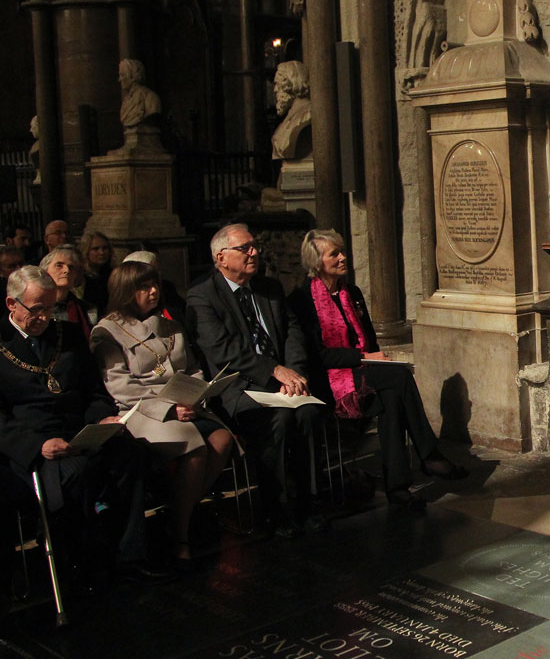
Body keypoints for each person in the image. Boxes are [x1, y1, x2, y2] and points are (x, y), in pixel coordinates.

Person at [0, 266, 164, 583]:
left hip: (81, 430)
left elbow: (93, 391)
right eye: (37, 309)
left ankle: (130, 556)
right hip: (34, 442)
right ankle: (81, 565)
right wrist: (37, 446)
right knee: (77, 473)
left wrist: (104, 417)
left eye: (51, 308)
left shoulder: (69, 335)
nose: (46, 317)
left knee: (130, 455)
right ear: (12, 304)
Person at [288, 230, 466, 511]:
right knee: (400, 376)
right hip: (329, 378)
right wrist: (362, 356)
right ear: (316, 261)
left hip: (364, 371)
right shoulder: (302, 300)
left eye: (342, 251)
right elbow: (315, 355)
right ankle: (429, 456)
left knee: (391, 400)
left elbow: (369, 337)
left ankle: (398, 488)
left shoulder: (352, 292)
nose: (343, 257)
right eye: (334, 253)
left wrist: (372, 356)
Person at [186, 223, 328, 538]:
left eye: (254, 246)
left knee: (306, 413)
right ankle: (275, 512)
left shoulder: (269, 288)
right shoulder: (202, 296)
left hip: (283, 382)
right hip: (240, 388)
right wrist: (274, 371)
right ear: (221, 257)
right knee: (276, 420)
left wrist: (294, 372)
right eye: (245, 248)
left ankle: (309, 504)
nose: (254, 252)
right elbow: (224, 351)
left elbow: (293, 333)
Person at [91, 261, 235, 566]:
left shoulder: (169, 324)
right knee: (193, 449)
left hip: (186, 403)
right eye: (144, 286)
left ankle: (181, 508)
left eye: (155, 284)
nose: (154, 291)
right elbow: (121, 387)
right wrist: (169, 407)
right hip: (143, 409)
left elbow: (192, 368)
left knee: (222, 439)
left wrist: (196, 396)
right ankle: (179, 532)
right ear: (126, 291)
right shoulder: (106, 331)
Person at [41, 245, 95, 340]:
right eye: (59, 265)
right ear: (45, 271)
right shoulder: (36, 307)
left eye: (71, 267)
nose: (67, 270)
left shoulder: (88, 310)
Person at [124, 250, 187, 322]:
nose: (154, 290)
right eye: (144, 286)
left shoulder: (168, 289)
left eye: (158, 270)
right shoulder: (115, 326)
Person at [79, 230, 114, 315]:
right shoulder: (80, 276)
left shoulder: (113, 274)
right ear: (86, 251)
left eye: (105, 248)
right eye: (96, 249)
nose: (101, 252)